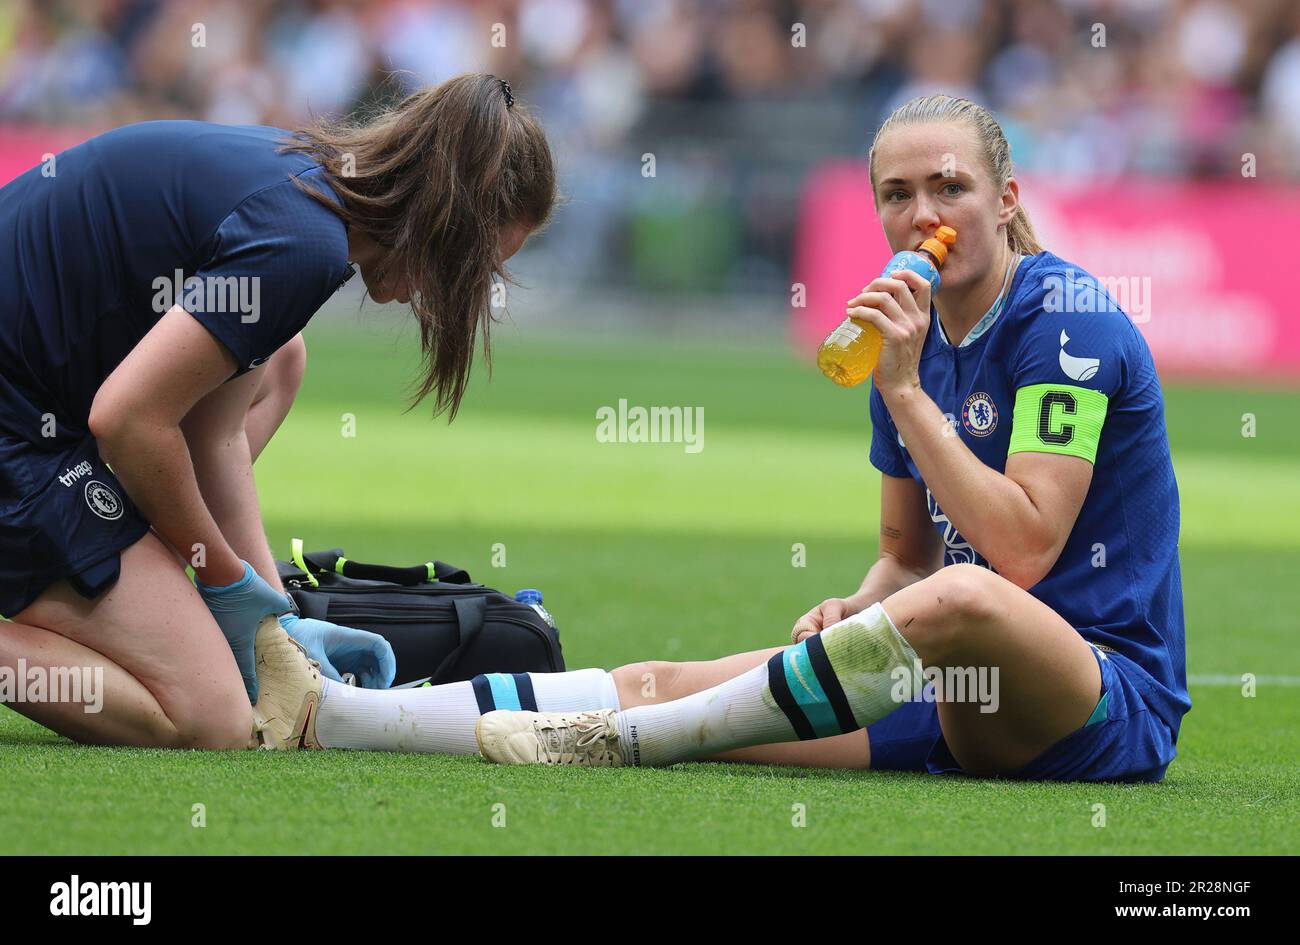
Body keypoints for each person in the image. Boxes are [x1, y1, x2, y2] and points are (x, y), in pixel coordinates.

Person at [472, 95, 1191, 782]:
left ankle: (628, 745)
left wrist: (905, 394)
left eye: (950, 188)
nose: (923, 216)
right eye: (898, 194)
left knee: (967, 592)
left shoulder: (1069, 319)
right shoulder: (903, 336)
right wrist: (859, 607)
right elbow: (906, 562)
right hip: (954, 691)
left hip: (1102, 704)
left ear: (1006, 200)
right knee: (654, 682)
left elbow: (1024, 549)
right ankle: (373, 714)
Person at [0, 73, 555, 749]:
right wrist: (221, 577)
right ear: (445, 218)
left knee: (280, 358)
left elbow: (213, 431)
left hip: (37, 403)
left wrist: (273, 614)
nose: (460, 294)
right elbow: (129, 420)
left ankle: (111, 567)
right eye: (476, 267)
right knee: (213, 716)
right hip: (20, 429)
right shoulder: (302, 246)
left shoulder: (307, 185)